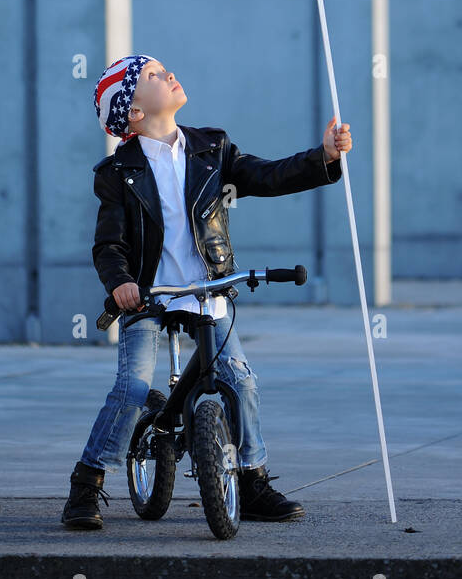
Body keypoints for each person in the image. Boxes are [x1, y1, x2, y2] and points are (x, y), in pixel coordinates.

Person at [61, 53, 352, 529]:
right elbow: (108, 244)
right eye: (153, 75)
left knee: (239, 380)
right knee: (134, 388)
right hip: (149, 296)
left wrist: (323, 157)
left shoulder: (211, 148)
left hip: (206, 292)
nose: (168, 74)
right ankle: (87, 484)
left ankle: (253, 481)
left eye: (163, 68)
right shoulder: (117, 173)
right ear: (133, 112)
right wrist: (121, 284)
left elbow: (268, 175)